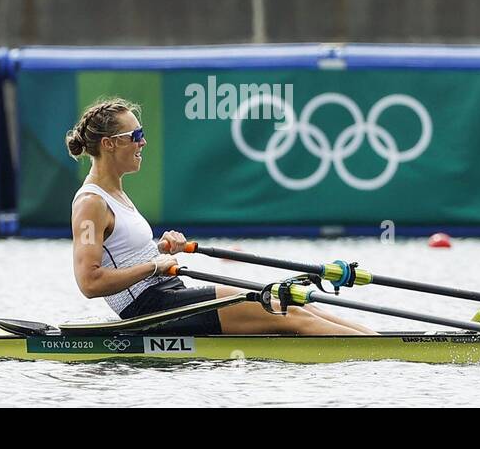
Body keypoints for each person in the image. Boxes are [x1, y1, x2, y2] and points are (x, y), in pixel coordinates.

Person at [66, 98, 374, 335]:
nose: (142, 141)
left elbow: (121, 254)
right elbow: (90, 282)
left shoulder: (115, 193)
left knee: (289, 302)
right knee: (283, 310)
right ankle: (387, 354)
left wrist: (160, 250)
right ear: (109, 144)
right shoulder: (91, 203)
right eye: (136, 134)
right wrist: (153, 266)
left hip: (167, 294)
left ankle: (377, 339)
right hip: (148, 310)